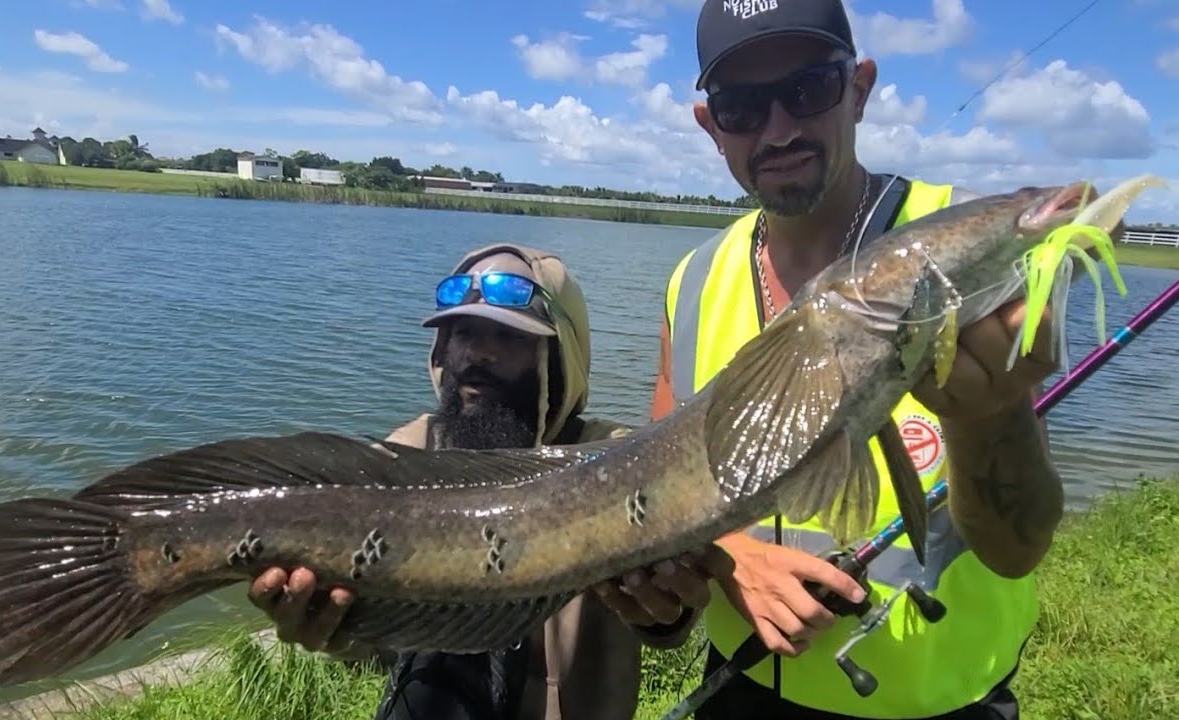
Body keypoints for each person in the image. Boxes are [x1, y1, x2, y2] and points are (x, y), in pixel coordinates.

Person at [636, 1, 1073, 718]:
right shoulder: (691, 282)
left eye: (807, 90)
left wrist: (991, 418)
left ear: (860, 88)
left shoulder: (968, 260)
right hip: (739, 693)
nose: (778, 129)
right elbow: (660, 505)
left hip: (945, 703)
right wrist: (732, 556)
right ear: (711, 126)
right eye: (742, 105)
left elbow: (1016, 546)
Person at [245, 242, 712, 720]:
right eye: (463, 332)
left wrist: (666, 610)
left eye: (508, 336)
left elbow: (672, 620)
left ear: (558, 354)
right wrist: (331, 628)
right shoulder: (399, 460)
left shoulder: (615, 459)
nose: (478, 354)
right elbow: (373, 647)